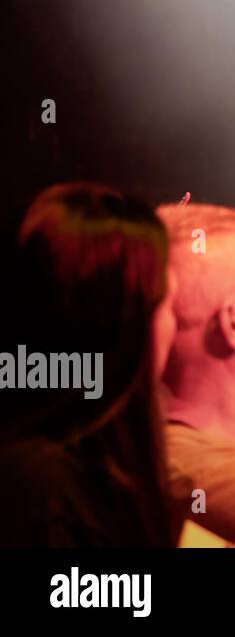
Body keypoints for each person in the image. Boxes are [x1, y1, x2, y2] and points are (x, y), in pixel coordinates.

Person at [1, 183, 179, 547]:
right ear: (124, 323)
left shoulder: (101, 458)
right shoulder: (40, 490)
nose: (179, 326)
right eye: (169, 305)